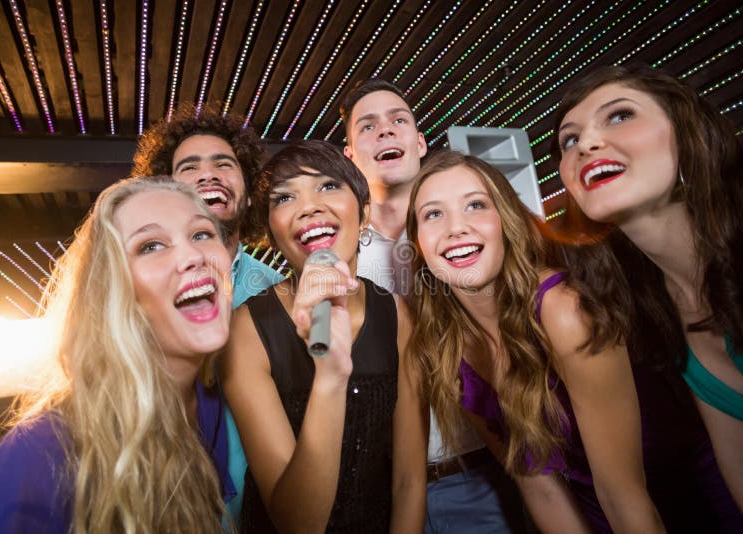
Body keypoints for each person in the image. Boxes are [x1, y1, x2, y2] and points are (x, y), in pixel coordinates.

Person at [406, 149, 742, 532]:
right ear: (416, 242)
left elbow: (624, 493)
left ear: (506, 222)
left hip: (685, 497)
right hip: (592, 510)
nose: (456, 228)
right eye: (433, 214)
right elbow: (540, 490)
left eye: (476, 205)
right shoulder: (447, 350)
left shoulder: (563, 310)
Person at [0, 178, 234, 532]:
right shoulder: (36, 461)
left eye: (200, 234)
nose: (193, 256)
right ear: (110, 290)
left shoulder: (209, 406)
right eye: (151, 246)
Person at [552, 64, 743, 509]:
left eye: (619, 115)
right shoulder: (652, 307)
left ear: (686, 131)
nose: (588, 144)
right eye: (569, 140)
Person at [340, 79, 522, 533]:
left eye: (398, 121)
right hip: (378, 492)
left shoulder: (474, 244)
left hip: (479, 477)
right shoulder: (340, 259)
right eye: (368, 126)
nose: (385, 131)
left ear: (419, 142)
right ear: (350, 155)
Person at [219, 140, 427, 532]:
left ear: (364, 213)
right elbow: (298, 525)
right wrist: (329, 376)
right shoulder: (246, 331)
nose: (309, 205)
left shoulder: (397, 315)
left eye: (328, 186)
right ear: (271, 233)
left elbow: (409, 483)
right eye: (284, 197)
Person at [132, 104, 284, 524]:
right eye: (189, 167)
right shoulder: (135, 290)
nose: (209, 173)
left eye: (224, 163)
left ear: (250, 193)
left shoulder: (279, 292)